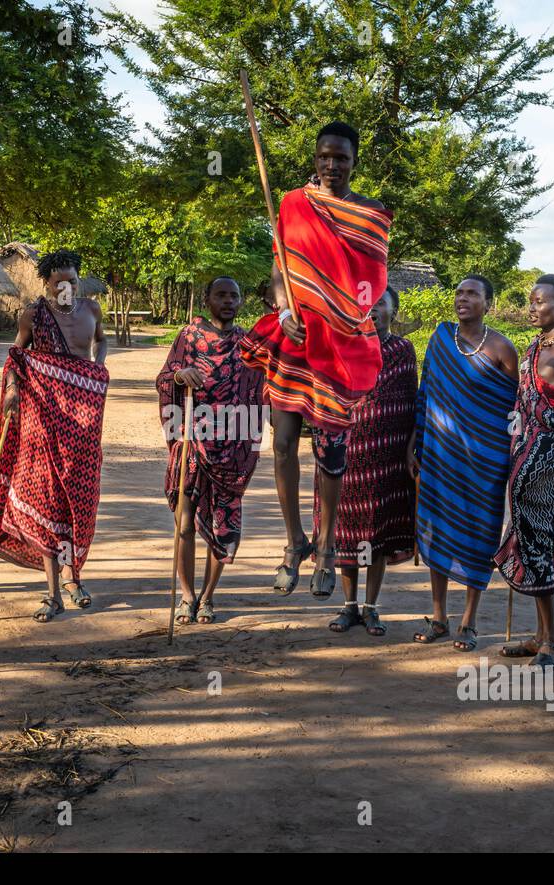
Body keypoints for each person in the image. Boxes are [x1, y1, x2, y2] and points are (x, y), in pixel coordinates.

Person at [239, 121, 393, 600]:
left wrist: (347, 313)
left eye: (341, 157)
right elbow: (279, 266)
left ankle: (326, 547)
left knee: (330, 448)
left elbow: (373, 281)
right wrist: (284, 310)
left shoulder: (370, 216)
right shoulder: (291, 203)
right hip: (296, 334)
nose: (332, 165)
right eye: (325, 156)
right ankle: (294, 542)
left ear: (354, 161)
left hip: (342, 339)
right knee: (282, 443)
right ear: (315, 157)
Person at [0, 249, 109, 622]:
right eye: (59, 283)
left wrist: (97, 370)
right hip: (42, 419)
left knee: (78, 497)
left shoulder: (91, 311)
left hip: (84, 423)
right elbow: (16, 355)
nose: (66, 288)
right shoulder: (33, 315)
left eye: (72, 281)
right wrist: (12, 387)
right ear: (46, 284)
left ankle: (75, 577)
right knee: (46, 498)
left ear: (79, 281)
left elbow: (101, 341)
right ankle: (52, 592)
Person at [409, 275, 518, 650]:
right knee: (436, 530)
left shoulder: (503, 349)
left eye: (472, 293)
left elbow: (516, 408)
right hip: (439, 455)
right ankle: (439, 616)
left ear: (489, 303)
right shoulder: (440, 340)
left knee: (479, 533)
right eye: (459, 293)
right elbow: (426, 393)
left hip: (485, 461)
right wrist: (415, 443)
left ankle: (469, 621)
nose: (463, 298)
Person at [493, 274, 554, 667]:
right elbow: (521, 406)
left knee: (544, 545)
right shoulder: (533, 346)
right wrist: (518, 439)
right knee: (529, 543)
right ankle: (540, 636)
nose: (532, 308)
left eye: (539, 302)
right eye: (531, 302)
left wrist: (539, 451)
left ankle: (553, 643)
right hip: (527, 456)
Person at [157, 276, 264, 625]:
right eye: (221, 295)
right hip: (191, 441)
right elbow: (164, 377)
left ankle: (207, 597)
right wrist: (179, 376)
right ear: (207, 300)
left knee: (223, 528)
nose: (228, 301)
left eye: (234, 295)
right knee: (184, 523)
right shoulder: (189, 337)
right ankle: (186, 596)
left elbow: (265, 382)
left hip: (233, 447)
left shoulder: (248, 344)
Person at [318, 288, 417, 636]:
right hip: (346, 454)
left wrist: (409, 449)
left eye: (380, 306)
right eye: (366, 307)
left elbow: (410, 402)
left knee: (377, 531)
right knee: (347, 531)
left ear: (395, 310)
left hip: (388, 457)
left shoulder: (403, 351)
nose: (372, 312)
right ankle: (348, 607)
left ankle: (372, 607)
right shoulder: (344, 346)